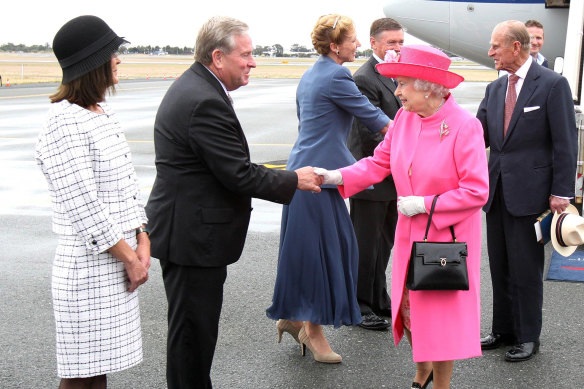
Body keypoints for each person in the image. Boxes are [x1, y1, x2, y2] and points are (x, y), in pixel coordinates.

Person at [144, 16, 322, 389]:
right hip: (193, 239)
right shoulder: (203, 100)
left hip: (190, 233)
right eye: (246, 54)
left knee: (193, 333)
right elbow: (237, 174)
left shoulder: (199, 88)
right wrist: (295, 179)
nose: (253, 62)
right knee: (193, 336)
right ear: (218, 56)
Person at [316, 45, 489, 388]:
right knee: (408, 310)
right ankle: (422, 368)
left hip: (445, 238)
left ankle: (441, 382)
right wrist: (337, 177)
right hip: (410, 234)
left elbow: (476, 191)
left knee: (439, 319)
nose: (396, 92)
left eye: (402, 83)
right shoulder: (404, 121)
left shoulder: (464, 126)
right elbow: (378, 163)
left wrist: (426, 204)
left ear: (428, 85)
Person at [265, 14, 390, 363]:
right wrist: (422, 134)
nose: (358, 45)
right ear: (335, 46)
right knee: (323, 253)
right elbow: (377, 121)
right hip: (318, 178)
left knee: (310, 250)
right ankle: (313, 331)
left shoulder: (311, 73)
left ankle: (294, 318)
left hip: (306, 172)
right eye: (352, 40)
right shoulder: (337, 75)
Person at [35, 15, 149, 388]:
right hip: (88, 270)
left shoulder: (100, 114)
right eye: (111, 52)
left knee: (97, 372)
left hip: (115, 262)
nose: (118, 58)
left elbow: (126, 188)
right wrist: (131, 258)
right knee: (79, 377)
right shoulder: (63, 123)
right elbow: (85, 207)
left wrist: (143, 237)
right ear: (91, 64)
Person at [478, 20, 577, 362]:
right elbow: (477, 135)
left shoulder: (552, 84)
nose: (490, 52)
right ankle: (503, 329)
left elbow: (566, 143)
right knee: (500, 264)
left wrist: (563, 192)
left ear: (515, 47)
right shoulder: (494, 89)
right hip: (496, 193)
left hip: (533, 195)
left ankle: (528, 335)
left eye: (496, 46)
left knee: (526, 268)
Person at [347, 17, 404, 331]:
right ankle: (360, 305)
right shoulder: (365, 78)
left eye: (400, 42)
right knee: (365, 245)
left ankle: (378, 298)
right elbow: (372, 133)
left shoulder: (397, 75)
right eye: (391, 42)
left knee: (384, 243)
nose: (397, 48)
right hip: (372, 175)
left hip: (393, 179)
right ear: (375, 43)